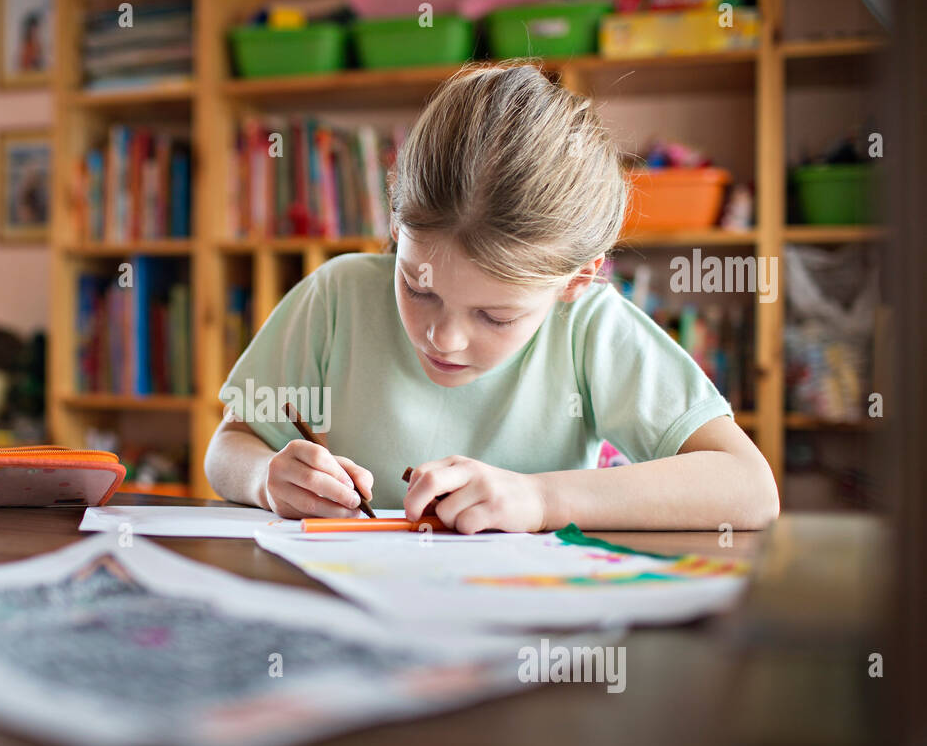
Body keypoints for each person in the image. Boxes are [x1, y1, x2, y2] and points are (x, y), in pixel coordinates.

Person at [204, 63, 779, 534]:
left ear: (576, 281)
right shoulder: (338, 296)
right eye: (419, 288)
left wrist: (541, 499)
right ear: (397, 227)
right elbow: (230, 443)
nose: (443, 338)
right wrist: (265, 478)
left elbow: (749, 488)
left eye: (496, 316)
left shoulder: (590, 326)